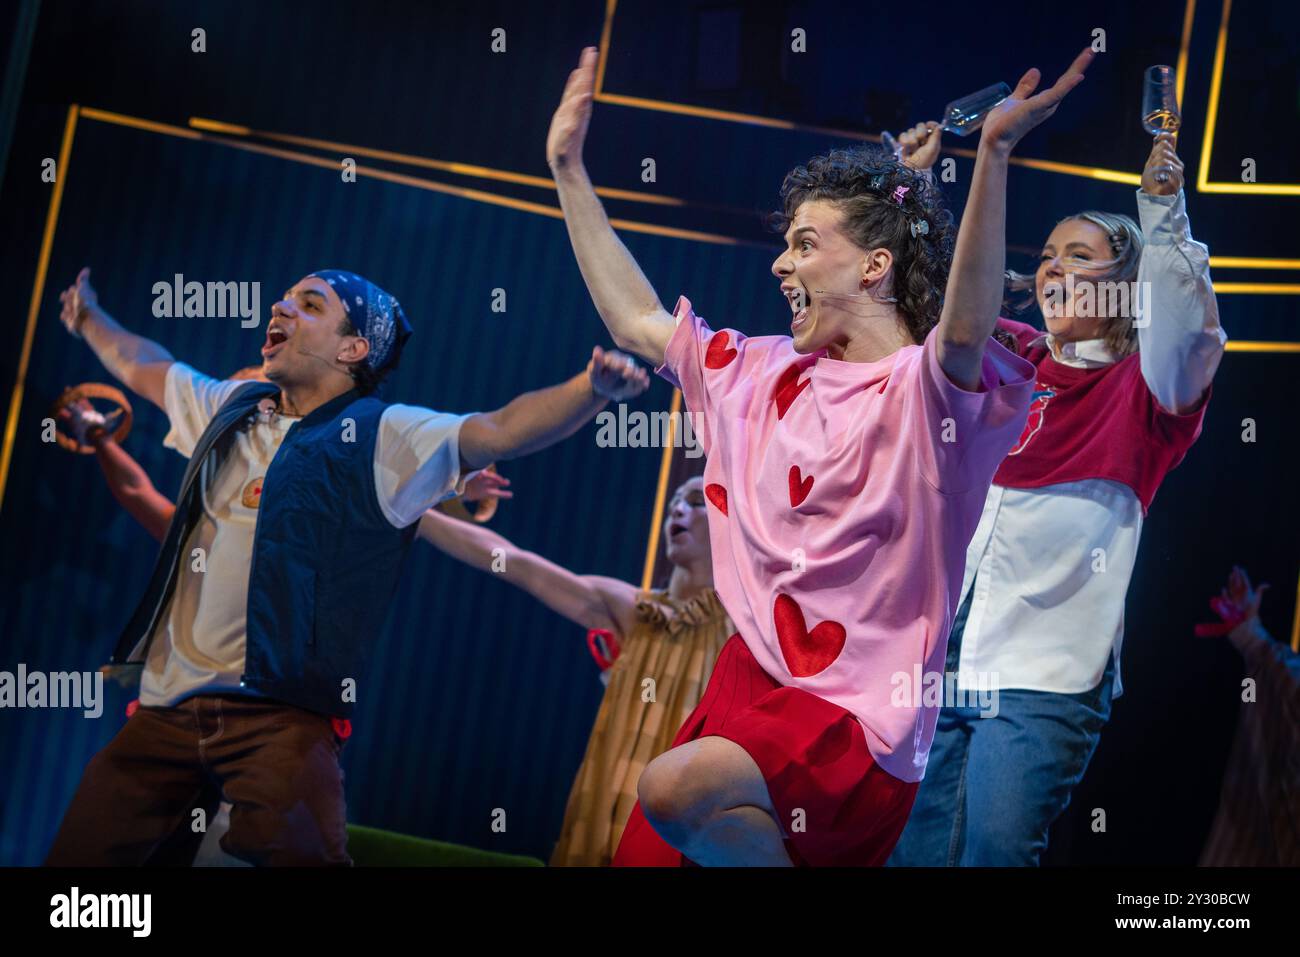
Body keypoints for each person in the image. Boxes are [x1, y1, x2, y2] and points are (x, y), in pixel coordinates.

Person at [544, 46, 1093, 865]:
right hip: (742, 695)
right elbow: (638, 320)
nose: (780, 263)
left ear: (875, 267)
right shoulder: (756, 371)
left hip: (853, 724)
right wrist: (566, 170)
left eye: (804, 244)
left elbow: (969, 323)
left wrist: (996, 156)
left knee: (671, 786)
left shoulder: (925, 391)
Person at [44, 266, 649, 866]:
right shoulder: (233, 408)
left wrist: (591, 390)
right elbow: (143, 366)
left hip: (278, 718)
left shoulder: (383, 434)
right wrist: (89, 318)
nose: (280, 308)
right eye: (283, 298)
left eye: (309, 304)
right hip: (166, 710)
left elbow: (500, 428)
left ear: (353, 347)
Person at [889, 128, 1226, 866]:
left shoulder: (1145, 386)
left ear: (1125, 285)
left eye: (1079, 256)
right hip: (939, 663)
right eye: (1046, 255)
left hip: (1044, 678)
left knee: (993, 853)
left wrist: (1163, 215)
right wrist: (909, 192)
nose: (1052, 268)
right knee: (910, 858)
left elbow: (1187, 329)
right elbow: (928, 305)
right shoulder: (1010, 357)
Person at [418, 474, 731, 865]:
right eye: (674, 504)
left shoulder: (741, 628)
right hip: (606, 803)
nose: (678, 509)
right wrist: (415, 515)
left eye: (694, 501)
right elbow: (514, 563)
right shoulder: (634, 610)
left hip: (678, 822)